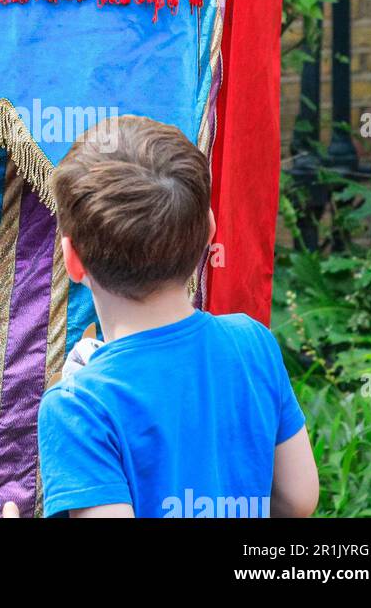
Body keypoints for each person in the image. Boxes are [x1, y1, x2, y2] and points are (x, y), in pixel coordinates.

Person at [37, 115, 319, 519]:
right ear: (209, 230)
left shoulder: (78, 405)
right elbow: (299, 498)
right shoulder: (252, 342)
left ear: (72, 260)